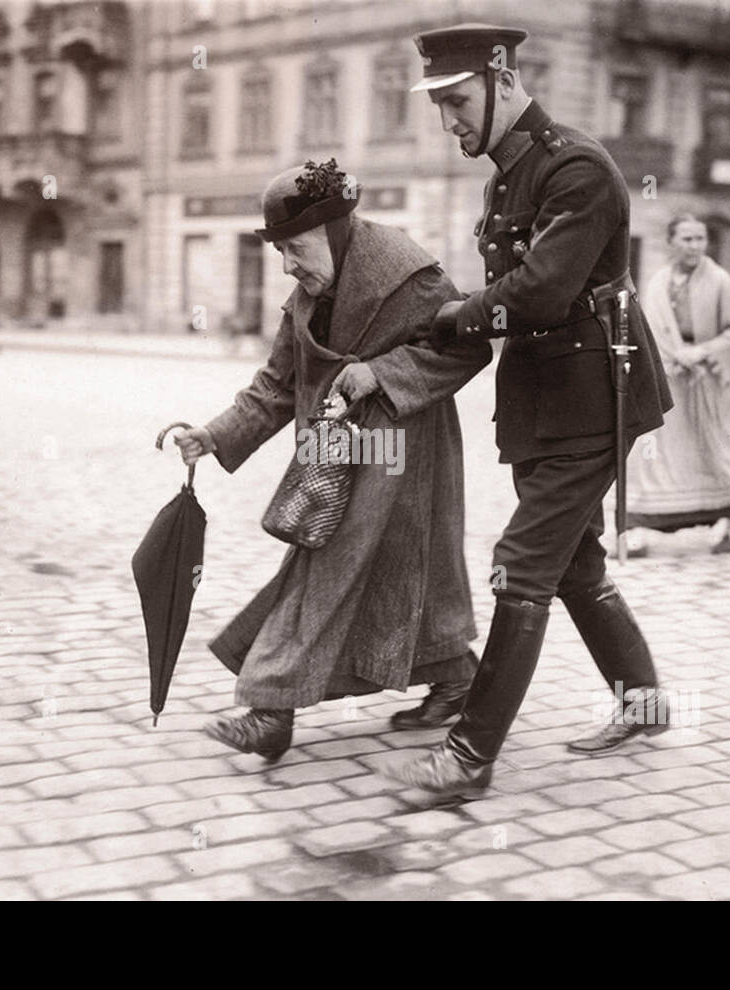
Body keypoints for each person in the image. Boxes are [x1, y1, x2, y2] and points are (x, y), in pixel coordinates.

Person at [379, 23, 674, 798]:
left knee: (521, 566)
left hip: (595, 399)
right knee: (573, 562)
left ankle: (468, 758)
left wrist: (450, 317)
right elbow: (515, 301)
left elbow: (539, 291)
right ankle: (643, 703)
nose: (448, 121)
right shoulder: (508, 175)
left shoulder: (577, 169)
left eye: (457, 100)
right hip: (545, 402)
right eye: (438, 105)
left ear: (504, 78)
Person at [173, 159, 492, 762]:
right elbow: (274, 385)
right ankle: (456, 678)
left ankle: (271, 709)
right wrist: (214, 436)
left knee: (325, 566)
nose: (288, 266)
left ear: (332, 232)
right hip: (339, 447)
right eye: (280, 252)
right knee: (405, 569)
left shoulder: (408, 273)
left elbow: (468, 348)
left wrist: (382, 371)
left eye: (294, 249)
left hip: (403, 446)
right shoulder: (307, 298)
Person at [623, 214, 730, 556]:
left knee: (717, 454)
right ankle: (636, 532)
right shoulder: (658, 283)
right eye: (687, 239)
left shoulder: (720, 281)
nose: (695, 246)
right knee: (649, 454)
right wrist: (669, 359)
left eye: (700, 239)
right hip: (668, 381)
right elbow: (648, 328)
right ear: (671, 243)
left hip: (707, 382)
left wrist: (700, 353)